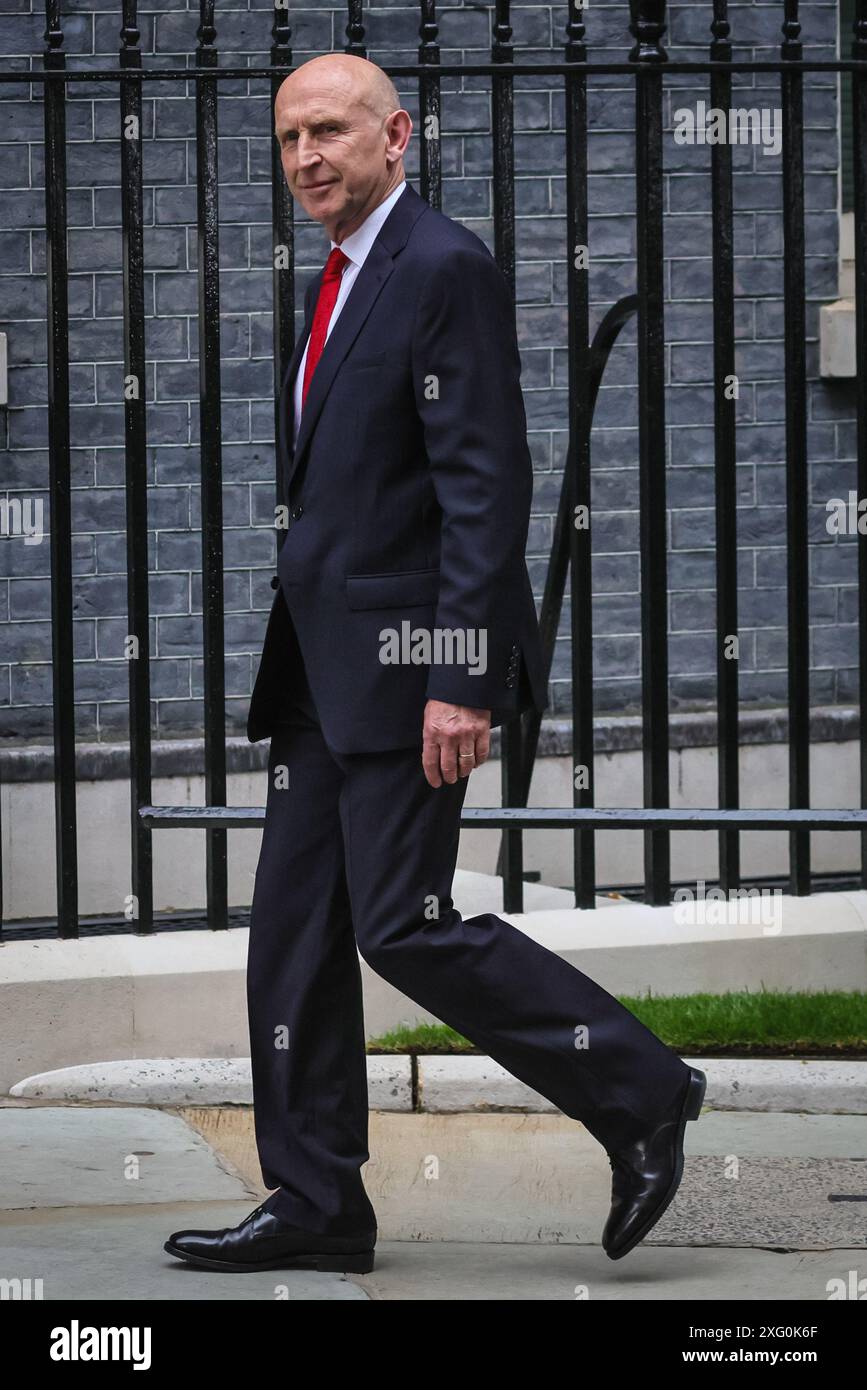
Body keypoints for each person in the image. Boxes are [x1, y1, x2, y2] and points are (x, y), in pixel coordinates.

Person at [165, 52, 705, 1276]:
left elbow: (483, 483)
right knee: (292, 938)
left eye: (332, 132)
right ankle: (316, 1200)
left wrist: (462, 673)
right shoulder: (342, 276)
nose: (307, 156)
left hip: (416, 667)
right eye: (289, 136)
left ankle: (643, 1090)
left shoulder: (440, 264)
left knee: (402, 924)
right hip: (321, 668)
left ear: (396, 135)